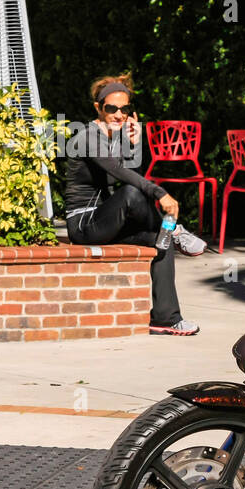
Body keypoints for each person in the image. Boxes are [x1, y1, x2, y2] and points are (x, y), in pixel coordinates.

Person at [64, 75, 207, 335]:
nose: (119, 115)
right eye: (111, 108)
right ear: (98, 108)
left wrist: (135, 143)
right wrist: (161, 193)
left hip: (108, 220)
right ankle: (174, 230)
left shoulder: (120, 137)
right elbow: (122, 175)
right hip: (85, 224)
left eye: (124, 109)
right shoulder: (86, 136)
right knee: (132, 194)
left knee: (159, 239)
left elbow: (136, 176)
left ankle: (166, 318)